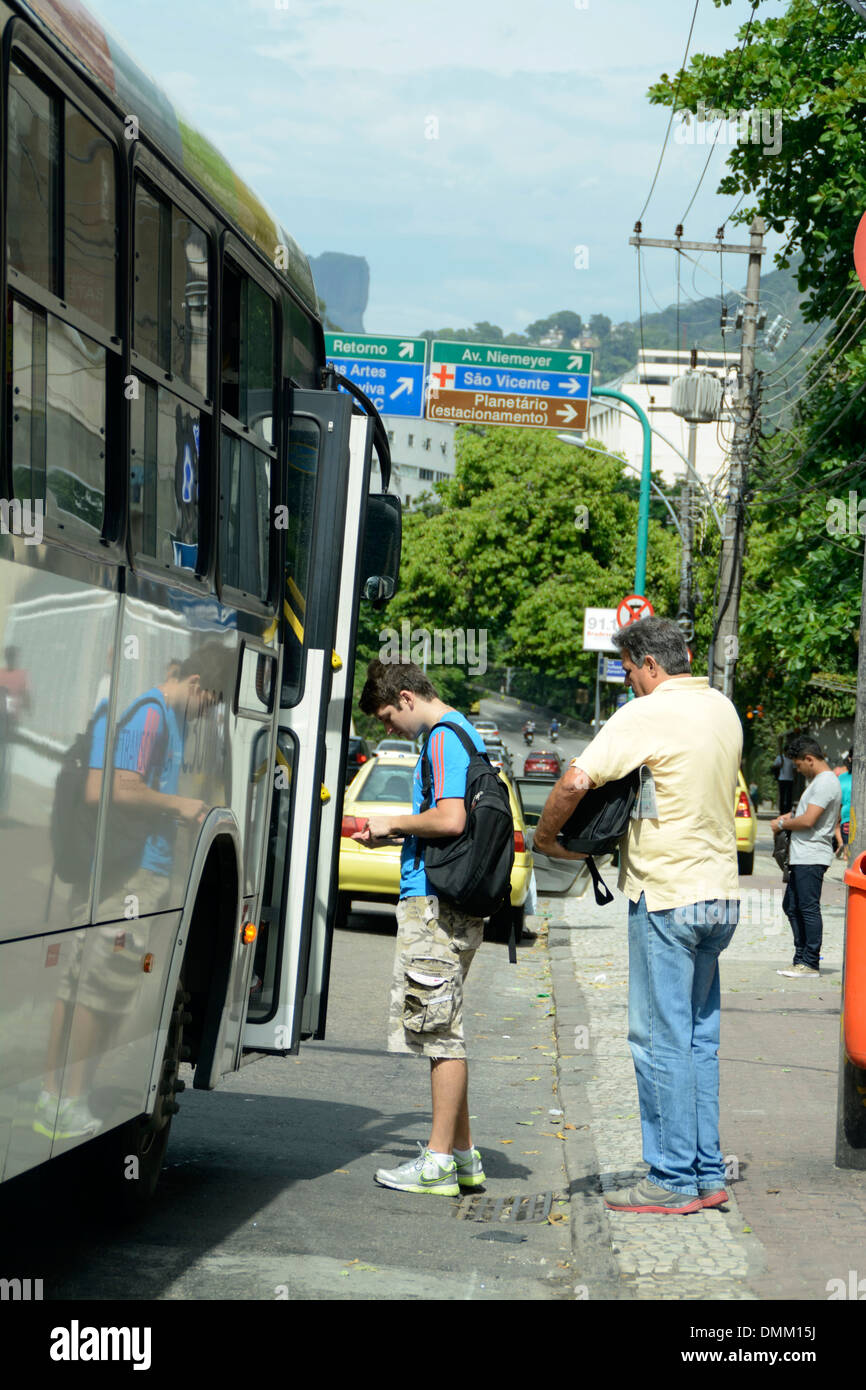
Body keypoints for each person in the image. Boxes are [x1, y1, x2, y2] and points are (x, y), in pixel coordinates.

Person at [533, 617, 742, 1215]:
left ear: (651, 664)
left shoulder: (645, 714)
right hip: (720, 898)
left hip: (668, 896)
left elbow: (576, 779)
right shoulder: (722, 708)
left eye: (627, 670)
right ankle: (705, 1172)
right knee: (699, 1040)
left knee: (657, 1041)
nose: (627, 682)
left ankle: (671, 1178)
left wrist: (549, 839)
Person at [356, 659, 487, 1197]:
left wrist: (392, 823)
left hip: (433, 905)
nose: (389, 728)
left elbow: (451, 818)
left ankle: (436, 1165)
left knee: (438, 1032)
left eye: (388, 716)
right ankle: (462, 1156)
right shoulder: (463, 734)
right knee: (442, 1023)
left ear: (407, 698)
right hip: (451, 900)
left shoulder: (441, 738)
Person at [771, 736, 842, 978]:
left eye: (799, 765)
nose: (798, 771)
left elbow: (809, 820)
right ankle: (800, 958)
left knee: (807, 908)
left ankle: (810, 962)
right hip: (802, 855)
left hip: (812, 855)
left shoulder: (825, 783)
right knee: (791, 905)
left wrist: (782, 823)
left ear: (809, 759)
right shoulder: (819, 782)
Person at [835, 753, 852, 861]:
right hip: (858, 811)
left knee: (838, 825)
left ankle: (841, 844)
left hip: (845, 810)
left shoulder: (841, 778)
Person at [772, 745, 795, 816]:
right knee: (782, 796)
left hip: (790, 779)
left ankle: (788, 811)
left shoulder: (792, 759)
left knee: (789, 797)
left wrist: (795, 778)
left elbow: (794, 769)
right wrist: (780, 765)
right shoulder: (780, 758)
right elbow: (774, 766)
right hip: (782, 779)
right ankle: (781, 812)